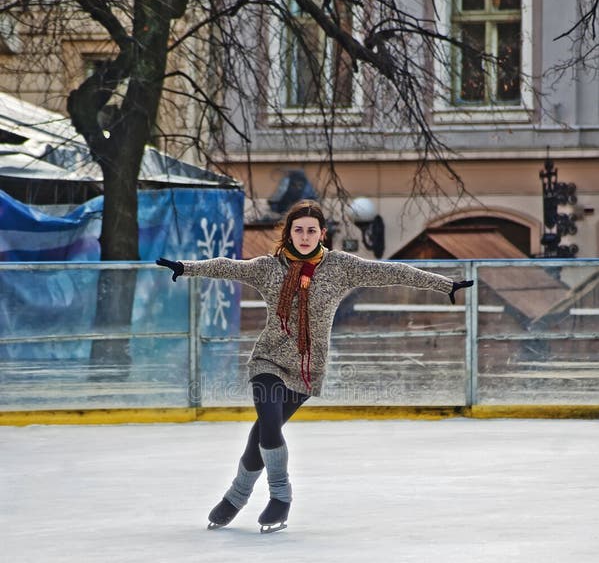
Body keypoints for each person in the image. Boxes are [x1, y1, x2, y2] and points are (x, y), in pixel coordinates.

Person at [157, 199, 473, 533]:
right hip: (268, 359)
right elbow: (228, 267)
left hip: (307, 368)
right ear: (289, 233)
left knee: (262, 433)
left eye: (311, 230)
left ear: (322, 233)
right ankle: (280, 496)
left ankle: (236, 496)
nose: (305, 236)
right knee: (268, 425)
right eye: (299, 230)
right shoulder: (269, 268)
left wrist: (445, 284)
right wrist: (185, 267)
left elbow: (392, 272)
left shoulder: (340, 267)